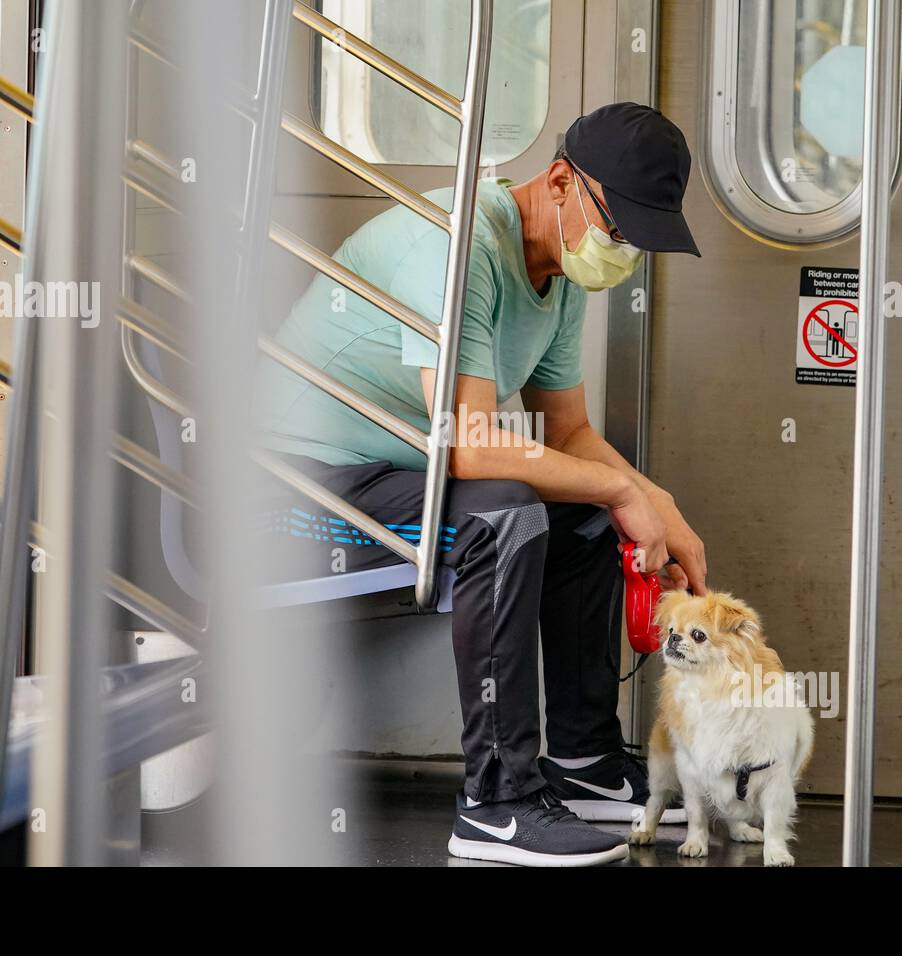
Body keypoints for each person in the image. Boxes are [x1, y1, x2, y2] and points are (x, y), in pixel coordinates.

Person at [255, 103, 707, 866]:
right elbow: (465, 441)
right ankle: (496, 802)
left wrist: (654, 501)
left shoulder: (558, 270)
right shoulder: (457, 245)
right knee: (509, 517)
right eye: (618, 228)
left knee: (590, 512)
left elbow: (565, 433)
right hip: (296, 479)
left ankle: (584, 759)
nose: (621, 251)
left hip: (399, 468)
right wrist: (622, 491)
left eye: (637, 239)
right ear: (560, 180)